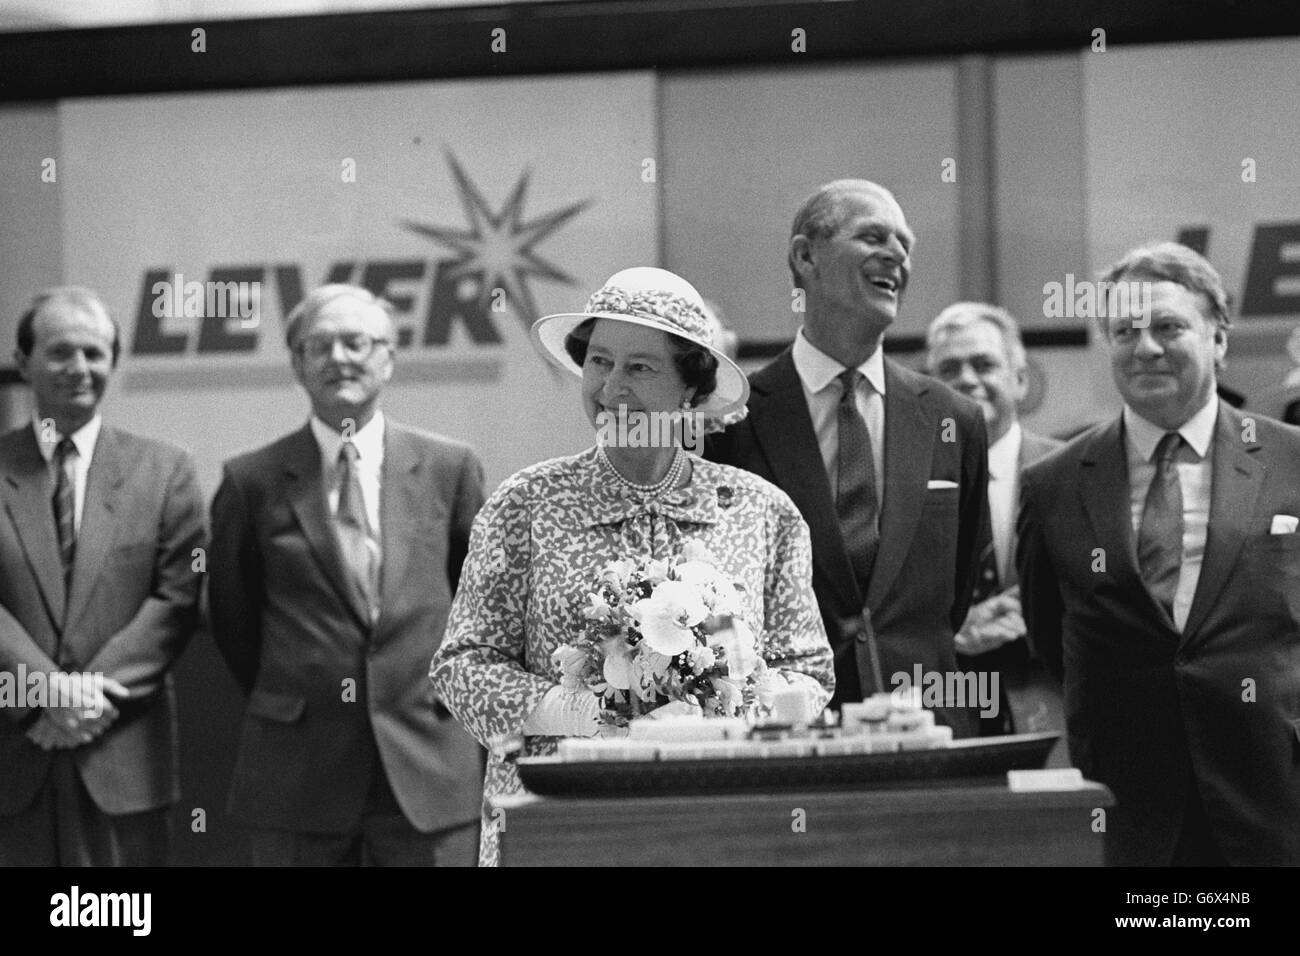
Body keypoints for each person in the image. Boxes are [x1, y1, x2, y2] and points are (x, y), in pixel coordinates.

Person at [429, 267, 835, 866]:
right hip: (557, 824)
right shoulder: (526, 504)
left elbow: (810, 673)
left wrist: (719, 710)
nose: (612, 386)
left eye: (640, 367)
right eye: (599, 362)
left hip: (719, 824)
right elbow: (463, 666)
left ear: (690, 390)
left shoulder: (761, 511)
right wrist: (586, 712)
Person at [1017, 241, 1300, 865]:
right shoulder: (1054, 482)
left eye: (1169, 327)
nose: (1145, 348)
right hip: (1128, 808)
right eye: (1125, 331)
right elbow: (1051, 632)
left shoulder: (1291, 461)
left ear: (1219, 339)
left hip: (1274, 798)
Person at [208, 283, 486, 866]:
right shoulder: (249, 480)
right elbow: (234, 621)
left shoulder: (449, 468)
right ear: (296, 364)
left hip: (426, 762)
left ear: (388, 357)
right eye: (320, 345)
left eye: (356, 343)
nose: (339, 358)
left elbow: (478, 605)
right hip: (296, 771)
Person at [707, 180, 988, 734]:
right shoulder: (732, 422)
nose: (897, 257)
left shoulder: (954, 419)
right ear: (805, 256)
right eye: (873, 237)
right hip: (787, 735)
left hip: (928, 729)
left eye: (905, 246)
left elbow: (954, 594)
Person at [0, 287, 205, 865]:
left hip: (122, 753)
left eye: (95, 353)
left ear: (113, 363)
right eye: (61, 352)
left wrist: (83, 700)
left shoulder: (167, 471)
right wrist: (44, 692)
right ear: (24, 363)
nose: (79, 369)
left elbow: (177, 596)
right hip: (15, 747)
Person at [925, 302, 1065, 750]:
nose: (966, 379)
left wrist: (1039, 610)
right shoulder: (903, 481)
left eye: (984, 364)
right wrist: (951, 630)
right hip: (947, 706)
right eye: (949, 369)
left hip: (1052, 702)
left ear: (1020, 380)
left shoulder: (1072, 471)